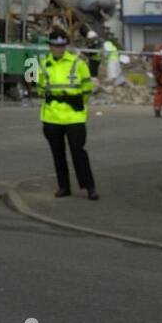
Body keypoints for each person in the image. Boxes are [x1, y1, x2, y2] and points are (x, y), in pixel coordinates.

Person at [37, 29, 98, 200]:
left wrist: (78, 103)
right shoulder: (42, 64)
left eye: (62, 46)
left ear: (66, 46)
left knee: (78, 151)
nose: (58, 49)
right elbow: (40, 88)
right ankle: (64, 187)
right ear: (49, 46)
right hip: (51, 116)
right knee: (58, 153)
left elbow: (87, 88)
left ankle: (89, 186)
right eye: (55, 46)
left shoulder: (78, 64)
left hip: (74, 116)